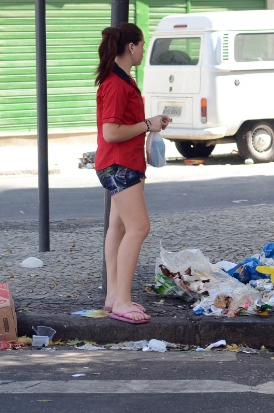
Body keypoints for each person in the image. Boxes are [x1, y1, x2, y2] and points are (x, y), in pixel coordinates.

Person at [94, 22, 170, 325]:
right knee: (139, 228)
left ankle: (114, 298)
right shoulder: (116, 83)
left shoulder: (120, 79)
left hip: (120, 164)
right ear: (131, 47)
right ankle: (122, 300)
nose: (141, 50)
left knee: (120, 228)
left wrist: (150, 124)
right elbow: (111, 132)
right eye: (141, 45)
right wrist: (147, 125)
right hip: (119, 165)